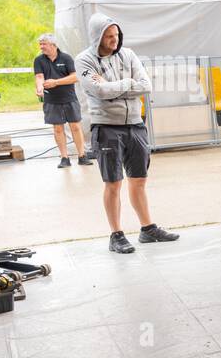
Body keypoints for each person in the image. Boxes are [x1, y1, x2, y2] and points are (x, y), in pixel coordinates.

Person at [75, 13, 179, 253]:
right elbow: (98, 91)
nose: (114, 40)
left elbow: (145, 85)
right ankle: (116, 235)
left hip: (135, 125)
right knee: (113, 183)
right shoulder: (84, 60)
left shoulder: (128, 54)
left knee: (139, 179)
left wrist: (117, 88)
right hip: (106, 127)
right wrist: (128, 84)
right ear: (97, 37)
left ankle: (147, 229)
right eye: (109, 36)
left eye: (117, 35)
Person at [33, 33, 92, 167]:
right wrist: (39, 88)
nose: (41, 47)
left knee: (75, 127)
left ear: (53, 45)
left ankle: (82, 155)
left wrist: (56, 82)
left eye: (44, 44)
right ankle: (64, 158)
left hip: (69, 98)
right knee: (58, 129)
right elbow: (39, 76)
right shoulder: (39, 60)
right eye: (40, 44)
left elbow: (76, 77)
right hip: (51, 100)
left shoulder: (66, 58)